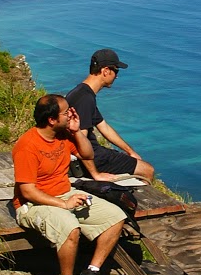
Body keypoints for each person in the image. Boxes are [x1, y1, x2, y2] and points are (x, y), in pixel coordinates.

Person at [12, 93, 127, 275]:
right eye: (66, 112)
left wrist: (76, 131)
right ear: (51, 119)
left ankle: (91, 271)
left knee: (115, 216)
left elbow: (87, 154)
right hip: (34, 204)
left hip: (64, 193)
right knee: (70, 227)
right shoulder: (27, 145)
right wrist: (64, 204)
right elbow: (27, 191)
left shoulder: (64, 135)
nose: (72, 114)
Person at [66, 48, 154, 183]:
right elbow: (79, 142)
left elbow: (104, 127)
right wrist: (95, 174)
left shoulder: (82, 92)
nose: (116, 76)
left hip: (95, 153)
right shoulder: (85, 99)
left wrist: (130, 151)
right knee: (147, 170)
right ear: (106, 71)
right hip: (93, 157)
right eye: (116, 71)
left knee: (133, 163)